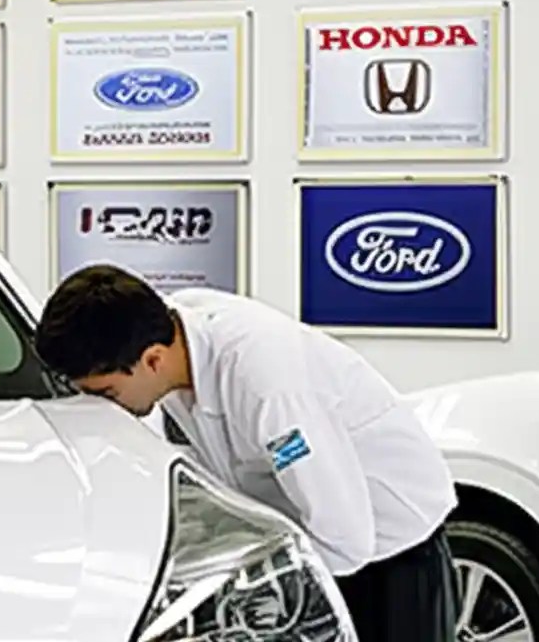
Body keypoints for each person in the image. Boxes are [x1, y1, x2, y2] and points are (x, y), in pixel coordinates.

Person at [32, 263, 461, 641]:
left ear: (153, 360)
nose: (105, 406)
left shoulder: (267, 387)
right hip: (311, 541)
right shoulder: (165, 337)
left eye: (106, 392)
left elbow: (346, 537)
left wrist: (252, 594)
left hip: (390, 556)